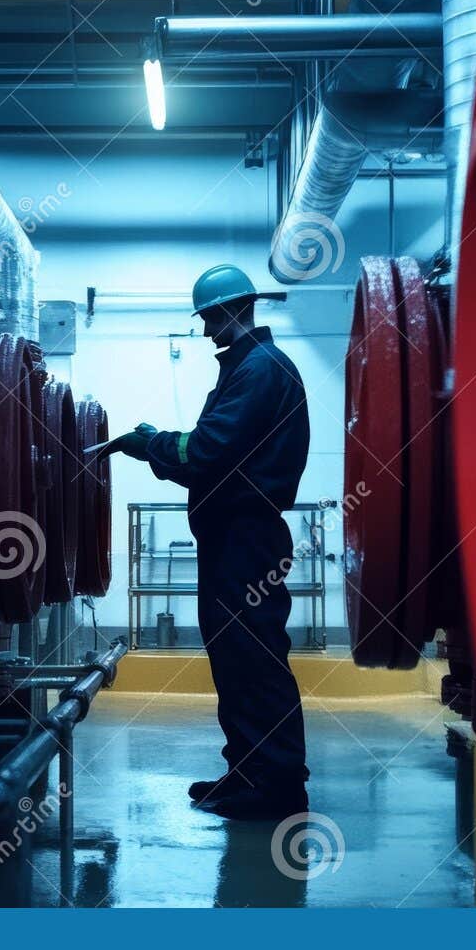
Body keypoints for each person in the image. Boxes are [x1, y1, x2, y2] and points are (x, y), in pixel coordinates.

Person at [105, 263, 312, 820]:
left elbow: (206, 453)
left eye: (208, 318)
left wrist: (149, 441)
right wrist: (154, 449)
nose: (203, 331)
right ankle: (249, 770)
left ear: (231, 311)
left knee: (254, 658)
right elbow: (207, 456)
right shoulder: (246, 367)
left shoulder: (261, 370)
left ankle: (277, 785)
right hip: (230, 540)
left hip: (246, 540)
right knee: (233, 658)